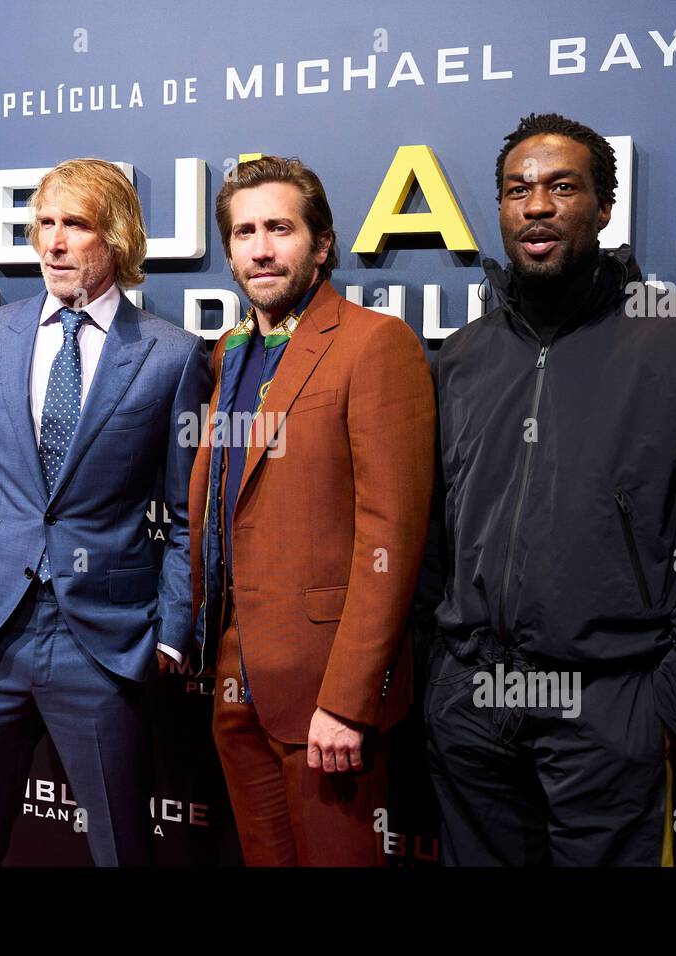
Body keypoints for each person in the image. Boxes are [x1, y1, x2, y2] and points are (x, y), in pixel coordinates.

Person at [420, 113, 676, 866]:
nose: (537, 206)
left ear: (604, 207)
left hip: (604, 709)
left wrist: (659, 708)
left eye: (563, 186)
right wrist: (441, 679)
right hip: (473, 708)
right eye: (517, 189)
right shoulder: (461, 357)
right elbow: (433, 533)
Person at [0, 158, 211, 866]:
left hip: (103, 645)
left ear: (118, 237)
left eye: (74, 225)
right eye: (44, 223)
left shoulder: (172, 356)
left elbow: (187, 512)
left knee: (123, 852)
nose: (53, 243)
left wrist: (169, 636)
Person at [189, 156, 435, 866]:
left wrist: (351, 700)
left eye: (280, 228)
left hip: (327, 695)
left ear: (321, 244)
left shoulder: (374, 344)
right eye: (244, 232)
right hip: (236, 683)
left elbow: (393, 536)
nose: (260, 248)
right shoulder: (230, 353)